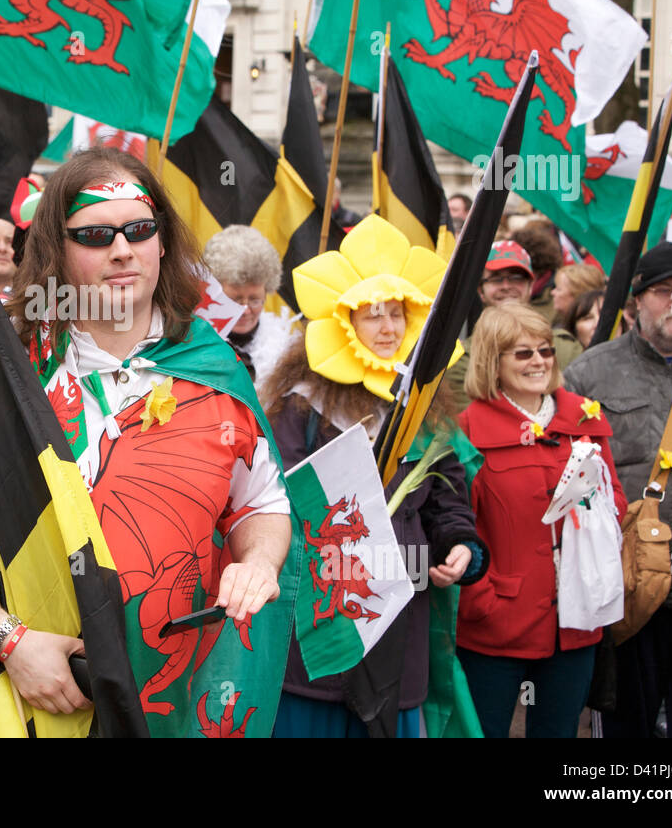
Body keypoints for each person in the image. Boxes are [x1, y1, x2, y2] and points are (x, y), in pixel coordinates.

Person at [0, 147, 296, 737]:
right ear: (57, 250)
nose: (122, 249)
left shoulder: (211, 366)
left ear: (163, 242)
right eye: (95, 235)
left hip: (170, 701)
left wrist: (259, 561)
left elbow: (261, 502)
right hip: (28, 700)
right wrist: (9, 641)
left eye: (139, 230)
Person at [263, 214, 487, 737]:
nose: (389, 330)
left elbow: (446, 500)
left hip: (401, 619)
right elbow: (282, 509)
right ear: (344, 325)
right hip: (322, 620)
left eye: (398, 317)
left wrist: (459, 544)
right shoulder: (299, 411)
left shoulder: (423, 410)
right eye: (373, 317)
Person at [564, 241, 672, 738]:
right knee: (627, 733)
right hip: (629, 590)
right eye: (663, 291)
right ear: (636, 301)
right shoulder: (588, 373)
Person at [456, 303, 624, 737]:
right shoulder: (467, 429)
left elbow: (616, 503)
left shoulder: (585, 419)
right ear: (493, 361)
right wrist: (482, 600)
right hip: (495, 625)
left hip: (576, 620)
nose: (539, 362)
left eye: (545, 351)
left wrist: (593, 514)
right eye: (523, 353)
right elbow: (458, 525)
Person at [446, 240, 581, 410]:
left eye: (516, 278)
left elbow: (577, 409)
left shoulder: (564, 347)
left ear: (531, 286)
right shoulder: (460, 359)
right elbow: (471, 422)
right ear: (481, 290)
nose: (506, 286)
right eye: (496, 279)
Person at [202, 224, 296, 398]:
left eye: (254, 300)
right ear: (213, 293)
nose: (245, 311)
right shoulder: (191, 345)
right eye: (234, 300)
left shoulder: (286, 354)